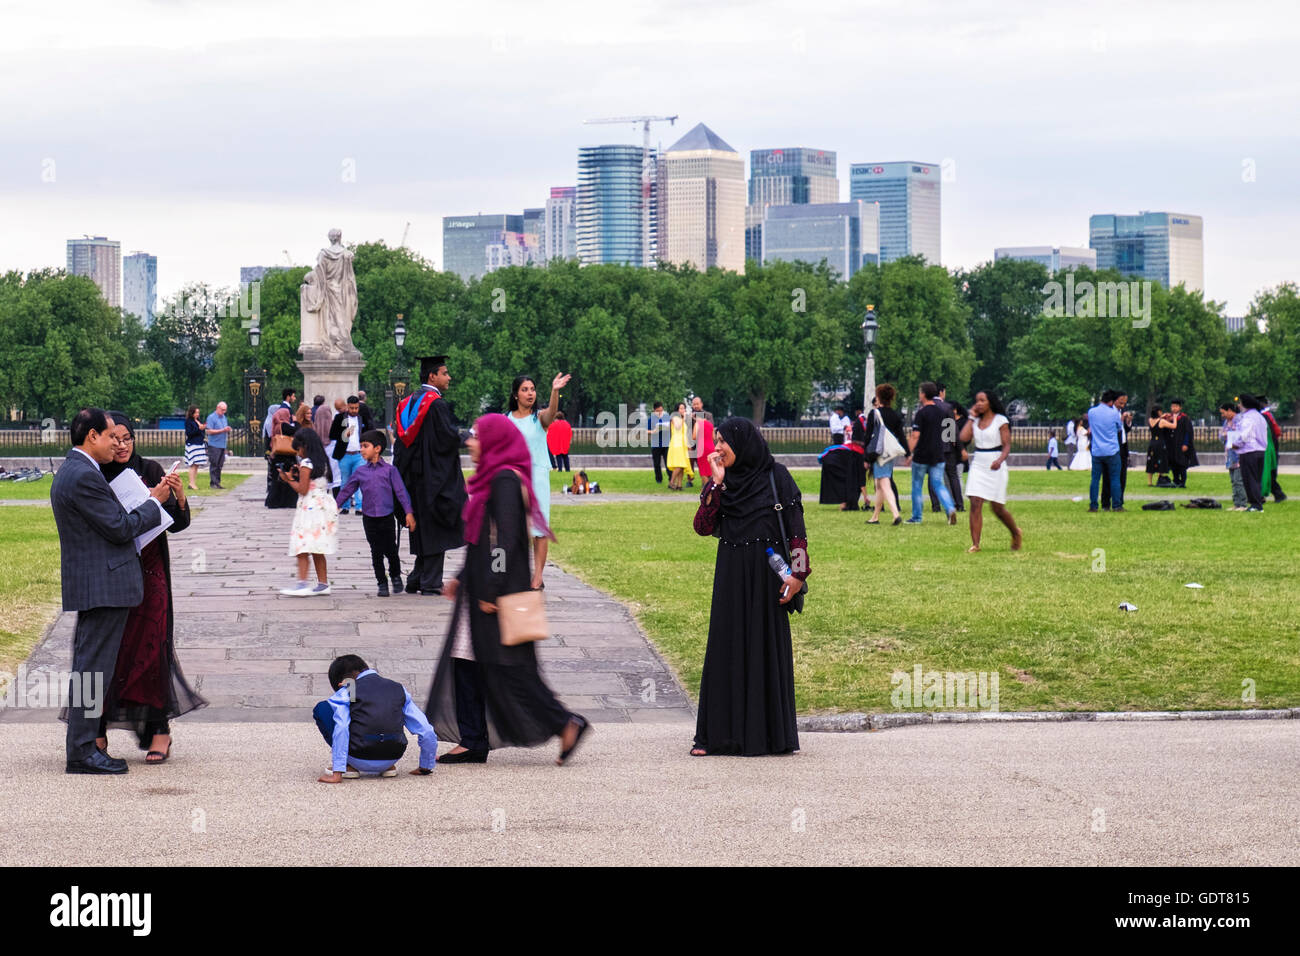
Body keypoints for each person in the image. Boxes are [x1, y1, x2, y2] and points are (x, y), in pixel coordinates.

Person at [425, 415, 590, 766]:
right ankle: (472, 739)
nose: (470, 443)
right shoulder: (498, 477)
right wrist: (462, 576)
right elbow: (485, 540)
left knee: (508, 668)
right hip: (482, 586)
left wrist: (495, 589)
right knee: (466, 660)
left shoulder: (503, 479)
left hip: (495, 593)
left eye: (476, 437)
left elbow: (505, 542)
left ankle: (565, 722)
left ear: (495, 441)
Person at [50, 408, 172, 774]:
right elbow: (120, 528)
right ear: (92, 437)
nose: (116, 443)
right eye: (110, 437)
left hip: (98, 583)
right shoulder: (84, 475)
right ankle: (83, 750)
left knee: (91, 669)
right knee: (92, 670)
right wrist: (155, 502)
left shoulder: (75, 471)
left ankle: (84, 746)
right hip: (103, 584)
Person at [691, 418, 806, 756]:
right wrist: (717, 484)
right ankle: (717, 736)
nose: (718, 448)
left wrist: (797, 576)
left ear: (743, 443)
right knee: (726, 647)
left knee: (763, 647)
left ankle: (767, 735)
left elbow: (797, 534)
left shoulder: (777, 476)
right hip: (731, 574)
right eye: (715, 441)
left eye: (723, 441)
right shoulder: (722, 484)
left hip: (767, 575)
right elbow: (702, 526)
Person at [96, 412, 207, 762]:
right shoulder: (95, 475)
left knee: (153, 647)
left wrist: (178, 497)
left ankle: (160, 728)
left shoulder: (151, 469)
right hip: (114, 571)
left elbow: (179, 524)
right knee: (111, 652)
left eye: (127, 437)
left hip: (152, 571)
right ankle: (97, 730)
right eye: (114, 438)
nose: (122, 445)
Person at [393, 355, 467, 595]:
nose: (449, 377)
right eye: (445, 373)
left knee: (422, 526)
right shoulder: (436, 405)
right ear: (432, 376)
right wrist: (469, 438)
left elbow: (401, 445)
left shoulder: (406, 404)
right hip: (433, 478)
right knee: (436, 525)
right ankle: (431, 582)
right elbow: (447, 439)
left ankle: (416, 577)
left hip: (412, 479)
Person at [313, 654, 438, 782]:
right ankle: (388, 767)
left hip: (359, 756)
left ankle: (348, 765)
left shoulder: (350, 689)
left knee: (322, 708)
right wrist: (426, 766)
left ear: (344, 682)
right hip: (393, 755)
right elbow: (426, 729)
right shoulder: (397, 688)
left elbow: (342, 726)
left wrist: (337, 772)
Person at [507, 372, 569, 591]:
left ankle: (538, 577)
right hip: (514, 479)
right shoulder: (507, 421)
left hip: (538, 478)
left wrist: (555, 390)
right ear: (516, 395)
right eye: (524, 390)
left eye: (532, 389)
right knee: (516, 529)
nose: (529, 393)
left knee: (539, 530)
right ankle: (517, 573)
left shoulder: (539, 418)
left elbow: (552, 413)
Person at [335, 429, 416, 597]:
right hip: (369, 518)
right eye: (361, 446)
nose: (362, 450)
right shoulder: (360, 472)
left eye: (365, 446)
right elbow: (347, 490)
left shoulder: (390, 471)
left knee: (391, 550)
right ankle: (381, 582)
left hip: (386, 517)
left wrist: (408, 512)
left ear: (377, 449)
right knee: (375, 551)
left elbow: (401, 492)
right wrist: (334, 506)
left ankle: (395, 575)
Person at [278, 427, 339, 596]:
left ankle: (302, 583)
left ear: (304, 446)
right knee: (317, 547)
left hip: (310, 507)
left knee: (302, 545)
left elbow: (303, 489)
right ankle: (323, 583)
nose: (298, 452)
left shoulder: (306, 463)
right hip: (323, 505)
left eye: (298, 448)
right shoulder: (324, 462)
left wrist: (289, 479)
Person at [960, 391, 1022, 552]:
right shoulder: (975, 421)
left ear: (990, 402)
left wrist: (1000, 460)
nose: (978, 403)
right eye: (976, 401)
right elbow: (963, 438)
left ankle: (1015, 532)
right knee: (975, 502)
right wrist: (971, 417)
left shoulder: (1000, 420)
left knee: (997, 508)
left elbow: (1007, 445)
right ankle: (975, 544)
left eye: (982, 400)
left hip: (995, 462)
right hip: (979, 462)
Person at [907, 382, 957, 524]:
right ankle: (950, 508)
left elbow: (916, 435)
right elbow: (948, 433)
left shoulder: (921, 413)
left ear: (923, 394)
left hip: (922, 454)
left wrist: (908, 452)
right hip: (938, 453)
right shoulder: (942, 412)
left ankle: (917, 517)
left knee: (917, 485)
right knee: (938, 484)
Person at [863, 383, 906, 525]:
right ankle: (875, 516)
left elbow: (868, 436)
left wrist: (865, 457)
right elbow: (901, 436)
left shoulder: (874, 414)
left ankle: (895, 514)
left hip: (878, 452)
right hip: (889, 452)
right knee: (880, 485)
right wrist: (908, 453)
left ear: (879, 397)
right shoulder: (895, 415)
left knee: (884, 483)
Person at [330, 395, 372, 515]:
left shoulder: (362, 418)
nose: (354, 410)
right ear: (347, 406)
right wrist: (344, 434)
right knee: (345, 481)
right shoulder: (339, 418)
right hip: (344, 454)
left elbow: (369, 432)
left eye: (356, 408)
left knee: (360, 480)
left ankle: (359, 506)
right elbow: (332, 435)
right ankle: (345, 505)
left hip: (359, 454)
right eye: (352, 408)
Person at [1087, 390, 1125, 512]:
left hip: (1097, 451)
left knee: (1095, 479)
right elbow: (1119, 428)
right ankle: (1116, 505)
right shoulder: (1114, 413)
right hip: (1112, 450)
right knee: (1115, 478)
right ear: (1111, 402)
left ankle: (1093, 505)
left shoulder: (1091, 412)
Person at [1229, 394, 1269, 511]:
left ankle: (1255, 504)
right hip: (1260, 451)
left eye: (1240, 403)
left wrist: (1235, 444)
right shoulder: (1260, 417)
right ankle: (1257, 503)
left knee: (1249, 479)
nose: (1239, 405)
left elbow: (1244, 435)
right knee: (1256, 479)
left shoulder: (1247, 418)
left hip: (1249, 451)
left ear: (1245, 405)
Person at [928, 384, 964, 514]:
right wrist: (958, 446)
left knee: (933, 477)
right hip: (947, 446)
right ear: (941, 392)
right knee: (953, 475)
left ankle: (935, 505)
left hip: (932, 447)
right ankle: (959, 503)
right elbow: (952, 428)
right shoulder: (947, 407)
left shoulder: (927, 407)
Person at [265, 388, 300, 509]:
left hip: (278, 453)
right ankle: (288, 501)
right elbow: (296, 430)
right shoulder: (284, 425)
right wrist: (296, 422)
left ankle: (275, 500)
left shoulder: (276, 425)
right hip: (286, 453)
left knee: (278, 478)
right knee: (289, 476)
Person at [1101, 392, 1131, 510]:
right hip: (1112, 448)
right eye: (1120, 402)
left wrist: (1127, 422)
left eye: (1124, 403)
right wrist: (1120, 420)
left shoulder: (1120, 412)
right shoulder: (1109, 412)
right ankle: (1106, 503)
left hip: (1122, 447)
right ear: (1114, 401)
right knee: (1108, 476)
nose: (1122, 405)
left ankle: (1119, 502)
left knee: (1122, 476)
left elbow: (1124, 430)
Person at [1220, 401, 1248, 510]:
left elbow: (1240, 436)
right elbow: (1221, 436)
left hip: (1238, 456)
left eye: (1223, 413)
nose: (1223, 416)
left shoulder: (1239, 420)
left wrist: (1227, 435)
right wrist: (1225, 436)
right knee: (1233, 480)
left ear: (1230, 411)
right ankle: (1236, 503)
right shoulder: (1226, 422)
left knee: (1238, 480)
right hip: (1230, 456)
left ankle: (1242, 504)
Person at [1258, 396, 1287, 502]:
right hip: (1271, 448)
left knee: (1268, 474)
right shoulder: (1268, 416)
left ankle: (1277, 494)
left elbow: (1274, 434)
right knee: (1269, 474)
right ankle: (1278, 494)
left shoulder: (1265, 416)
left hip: (1269, 449)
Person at [1168, 399, 1198, 488]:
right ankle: (1176, 480)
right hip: (1172, 444)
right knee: (1173, 463)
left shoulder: (1184, 418)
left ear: (1180, 408)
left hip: (1181, 444)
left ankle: (1183, 482)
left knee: (1182, 463)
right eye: (1172, 406)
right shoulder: (1169, 418)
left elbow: (1188, 432)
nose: (1174, 408)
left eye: (1176, 406)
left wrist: (1185, 444)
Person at [666, 401, 695, 491]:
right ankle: (671, 482)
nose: (683, 410)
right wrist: (684, 418)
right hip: (676, 443)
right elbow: (678, 427)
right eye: (681, 408)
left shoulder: (682, 419)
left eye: (684, 408)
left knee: (682, 466)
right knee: (679, 464)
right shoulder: (674, 417)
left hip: (682, 444)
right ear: (677, 410)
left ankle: (679, 485)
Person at [204, 401, 231, 489]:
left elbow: (224, 429)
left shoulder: (224, 418)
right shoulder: (211, 417)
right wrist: (222, 430)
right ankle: (213, 483)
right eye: (222, 410)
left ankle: (217, 482)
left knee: (220, 465)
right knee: (214, 464)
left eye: (225, 410)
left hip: (222, 444)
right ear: (217, 408)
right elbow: (209, 431)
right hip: (214, 444)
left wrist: (227, 430)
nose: (224, 412)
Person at [1146, 406, 1172, 484]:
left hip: (1152, 442)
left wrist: (1162, 416)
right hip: (1160, 443)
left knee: (1151, 461)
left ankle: (1149, 481)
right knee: (1161, 460)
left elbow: (1156, 419)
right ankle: (1159, 478)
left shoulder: (1150, 420)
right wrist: (1174, 418)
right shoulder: (1161, 421)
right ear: (1159, 412)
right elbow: (1173, 426)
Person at [692, 397, 715, 483]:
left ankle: (705, 486)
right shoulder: (690, 416)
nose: (696, 406)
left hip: (701, 445)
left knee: (703, 468)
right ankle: (711, 486)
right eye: (694, 404)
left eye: (697, 404)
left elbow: (694, 436)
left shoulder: (707, 416)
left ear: (701, 404)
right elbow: (713, 436)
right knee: (709, 467)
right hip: (707, 445)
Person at [183, 405, 206, 491]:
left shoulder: (198, 420)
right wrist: (198, 429)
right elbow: (189, 433)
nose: (197, 414)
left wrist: (202, 428)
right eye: (196, 412)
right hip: (192, 444)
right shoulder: (188, 421)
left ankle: (193, 483)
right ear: (191, 413)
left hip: (199, 443)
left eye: (198, 412)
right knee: (193, 464)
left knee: (197, 465)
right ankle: (191, 483)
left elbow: (201, 432)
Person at [648, 401, 671, 483]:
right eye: (658, 411)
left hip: (666, 443)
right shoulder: (651, 418)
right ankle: (659, 479)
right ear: (654, 410)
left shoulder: (667, 416)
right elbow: (647, 431)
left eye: (661, 410)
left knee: (668, 463)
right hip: (656, 444)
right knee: (657, 463)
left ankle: (671, 478)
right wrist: (653, 431)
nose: (660, 412)